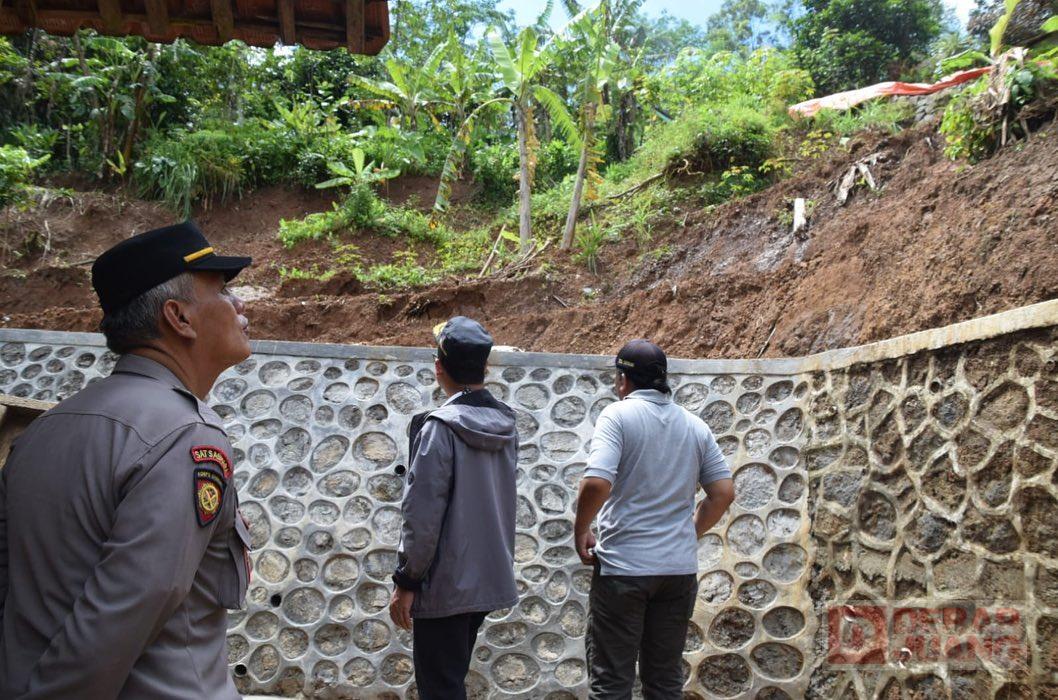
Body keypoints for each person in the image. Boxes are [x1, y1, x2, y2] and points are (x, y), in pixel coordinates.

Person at [0, 220, 253, 699]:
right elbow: (131, 605)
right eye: (222, 290)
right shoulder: (185, 436)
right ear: (178, 318)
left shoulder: (44, 430)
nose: (240, 304)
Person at [574, 339, 736, 700]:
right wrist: (689, 532)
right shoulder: (694, 426)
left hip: (624, 570)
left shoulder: (617, 416)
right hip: (677, 573)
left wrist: (582, 528)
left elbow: (597, 482)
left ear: (622, 380)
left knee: (611, 681)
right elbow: (723, 492)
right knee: (664, 681)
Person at [389, 316, 519, 700]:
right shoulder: (506, 424)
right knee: (450, 680)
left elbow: (422, 514)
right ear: (486, 368)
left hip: (444, 582)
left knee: (440, 689)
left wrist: (407, 580)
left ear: (438, 367)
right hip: (486, 577)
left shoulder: (440, 428)